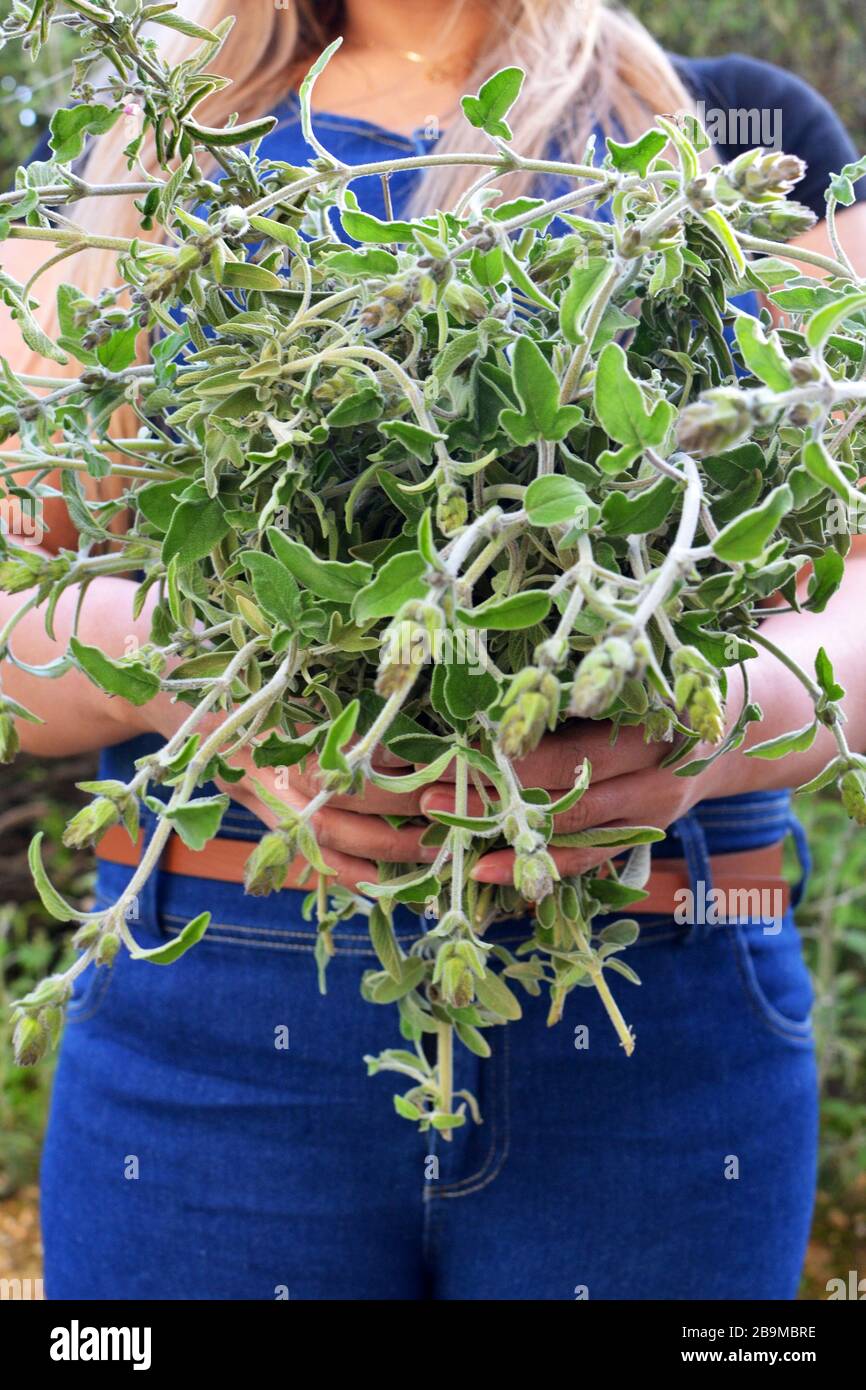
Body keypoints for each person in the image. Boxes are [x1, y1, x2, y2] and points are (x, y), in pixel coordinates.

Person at [2, 0, 866, 1301]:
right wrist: (206, 674)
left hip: (665, 1007)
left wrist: (715, 716)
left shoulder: (738, 136)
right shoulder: (145, 157)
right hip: (211, 1037)